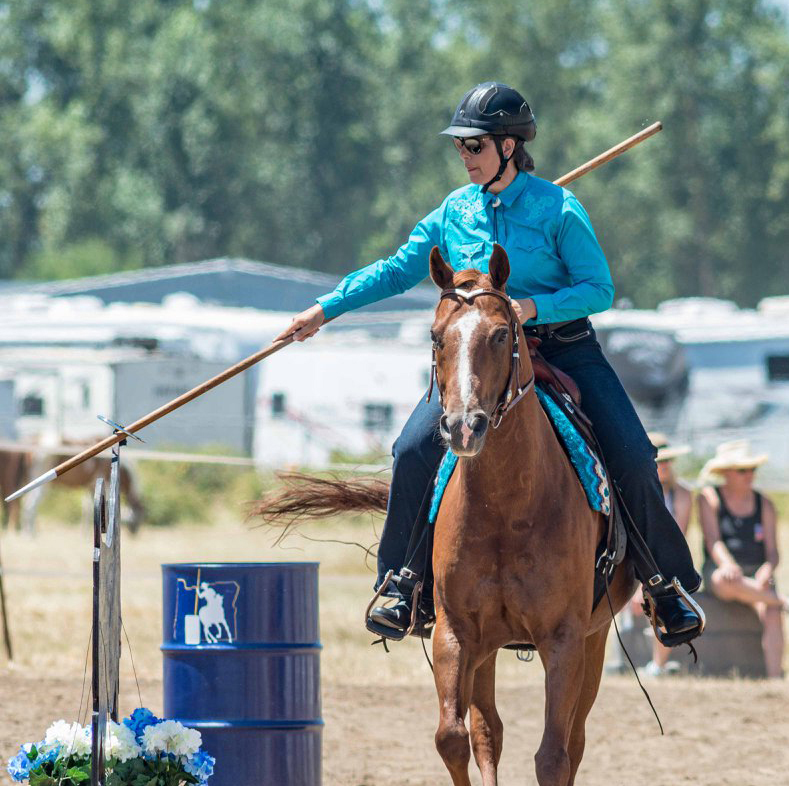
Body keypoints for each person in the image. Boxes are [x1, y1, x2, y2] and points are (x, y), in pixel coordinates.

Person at [276, 81, 704, 648]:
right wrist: (326, 308)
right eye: (460, 148)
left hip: (564, 345)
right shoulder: (454, 212)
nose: (465, 157)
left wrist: (533, 306)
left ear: (508, 146)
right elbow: (395, 269)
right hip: (481, 356)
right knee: (410, 449)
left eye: (474, 146)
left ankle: (665, 582)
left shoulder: (560, 208)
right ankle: (402, 582)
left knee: (631, 451)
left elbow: (599, 289)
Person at [697, 439, 787, 679]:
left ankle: (774, 677)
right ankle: (782, 601)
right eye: (742, 470)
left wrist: (767, 570)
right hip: (723, 573)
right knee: (727, 580)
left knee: (771, 612)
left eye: (752, 469)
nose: (750, 475)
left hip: (757, 575)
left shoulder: (764, 503)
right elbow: (712, 541)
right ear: (726, 472)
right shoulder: (709, 497)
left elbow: (773, 553)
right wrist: (728, 564)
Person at [632, 433, 694, 677]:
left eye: (667, 461)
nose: (664, 466)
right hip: (638, 560)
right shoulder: (638, 492)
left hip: (666, 561)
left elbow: (678, 536)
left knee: (663, 592)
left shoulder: (682, 494)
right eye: (659, 461)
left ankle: (658, 665)